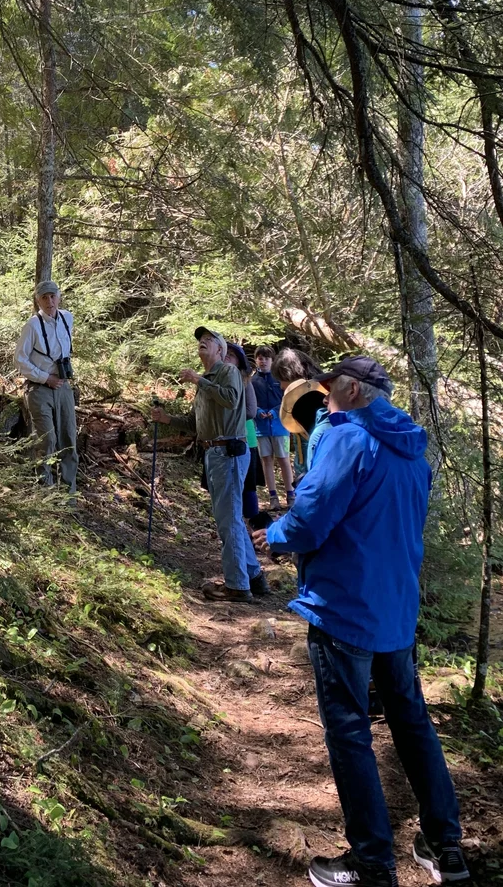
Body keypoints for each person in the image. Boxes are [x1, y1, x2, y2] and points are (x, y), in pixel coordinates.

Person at [252, 356, 470, 887]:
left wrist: (274, 537)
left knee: (350, 730)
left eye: (328, 393)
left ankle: (372, 861)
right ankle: (447, 847)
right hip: (395, 610)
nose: (324, 402)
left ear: (351, 389)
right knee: (412, 723)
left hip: (343, 606)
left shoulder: (351, 439)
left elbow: (311, 519)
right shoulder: (413, 451)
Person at [153, 327, 268, 603]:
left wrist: (197, 380)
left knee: (228, 521)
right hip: (214, 454)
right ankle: (253, 576)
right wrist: (166, 419)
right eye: (200, 341)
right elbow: (196, 424)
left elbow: (230, 400)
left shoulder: (227, 372)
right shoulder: (206, 380)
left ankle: (237, 586)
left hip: (228, 451)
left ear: (220, 350)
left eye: (209, 341)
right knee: (231, 517)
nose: (203, 343)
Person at [15, 279, 77, 496]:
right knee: (47, 439)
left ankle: (69, 494)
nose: (50, 301)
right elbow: (20, 360)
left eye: (53, 296)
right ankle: (45, 493)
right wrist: (44, 377)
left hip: (64, 387)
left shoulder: (67, 318)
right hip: (39, 389)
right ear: (38, 301)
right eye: (44, 298)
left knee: (69, 438)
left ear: (59, 297)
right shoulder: (32, 325)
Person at [252, 346, 295, 510]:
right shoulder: (253, 381)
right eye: (260, 358)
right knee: (266, 460)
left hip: (281, 426)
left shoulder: (279, 379)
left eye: (266, 358)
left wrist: (275, 412)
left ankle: (290, 494)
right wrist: (258, 412)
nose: (262, 361)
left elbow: (286, 399)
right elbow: (250, 402)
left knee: (284, 459)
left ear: (272, 360)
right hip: (261, 428)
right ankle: (273, 497)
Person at [227, 342, 264, 521]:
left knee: (248, 488)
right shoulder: (212, 378)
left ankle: (254, 529)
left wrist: (225, 415)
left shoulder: (244, 380)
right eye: (225, 354)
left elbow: (251, 411)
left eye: (231, 356)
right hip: (222, 443)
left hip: (245, 440)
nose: (227, 358)